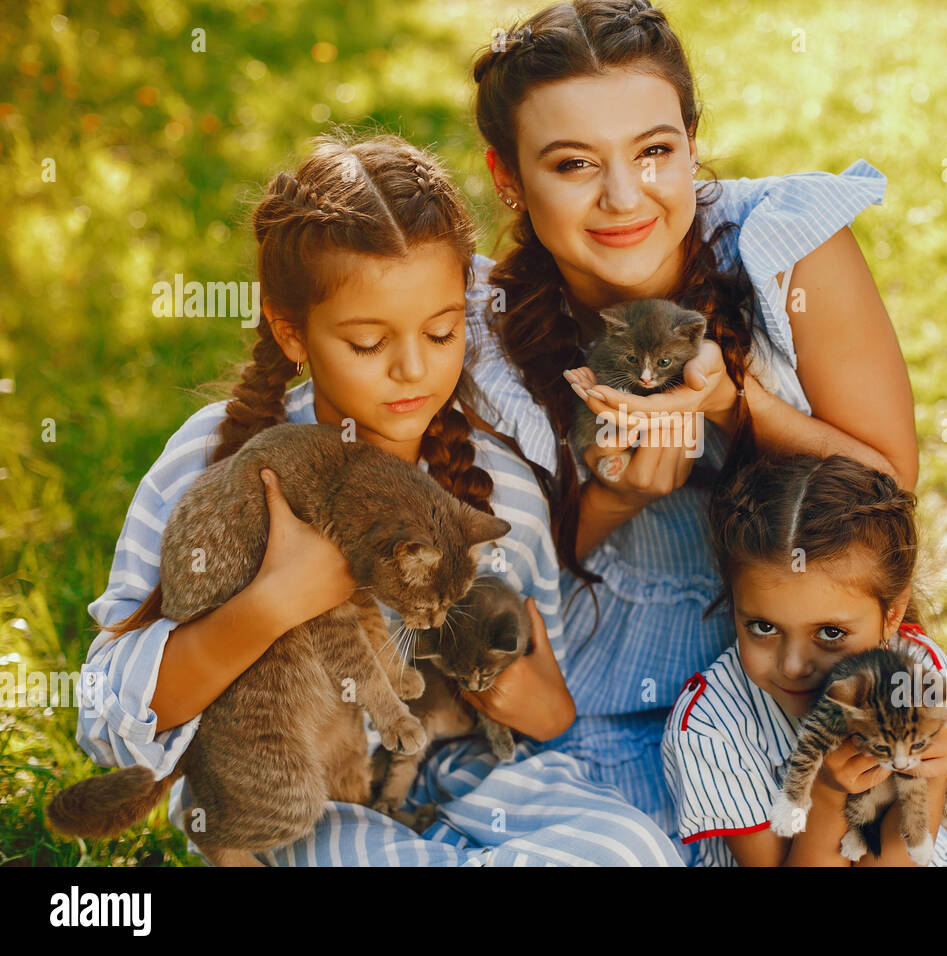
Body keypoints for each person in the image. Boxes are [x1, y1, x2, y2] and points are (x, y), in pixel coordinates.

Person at [74, 131, 682, 866]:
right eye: (367, 343)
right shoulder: (217, 463)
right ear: (291, 332)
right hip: (300, 785)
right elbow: (108, 716)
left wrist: (544, 706)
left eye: (442, 331)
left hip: (455, 764)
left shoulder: (495, 482)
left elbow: (531, 673)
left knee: (631, 849)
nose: (412, 369)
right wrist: (272, 603)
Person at [466, 0, 947, 862]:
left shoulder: (785, 251)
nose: (624, 196)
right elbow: (504, 578)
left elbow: (887, 489)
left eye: (655, 151)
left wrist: (737, 408)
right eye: (572, 164)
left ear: (694, 142)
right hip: (598, 697)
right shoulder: (485, 336)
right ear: (507, 177)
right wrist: (610, 500)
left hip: (795, 679)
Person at [661, 453, 947, 866]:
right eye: (763, 627)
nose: (794, 665)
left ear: (892, 614)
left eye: (831, 633)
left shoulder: (912, 670)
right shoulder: (711, 728)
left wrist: (932, 775)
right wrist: (828, 792)